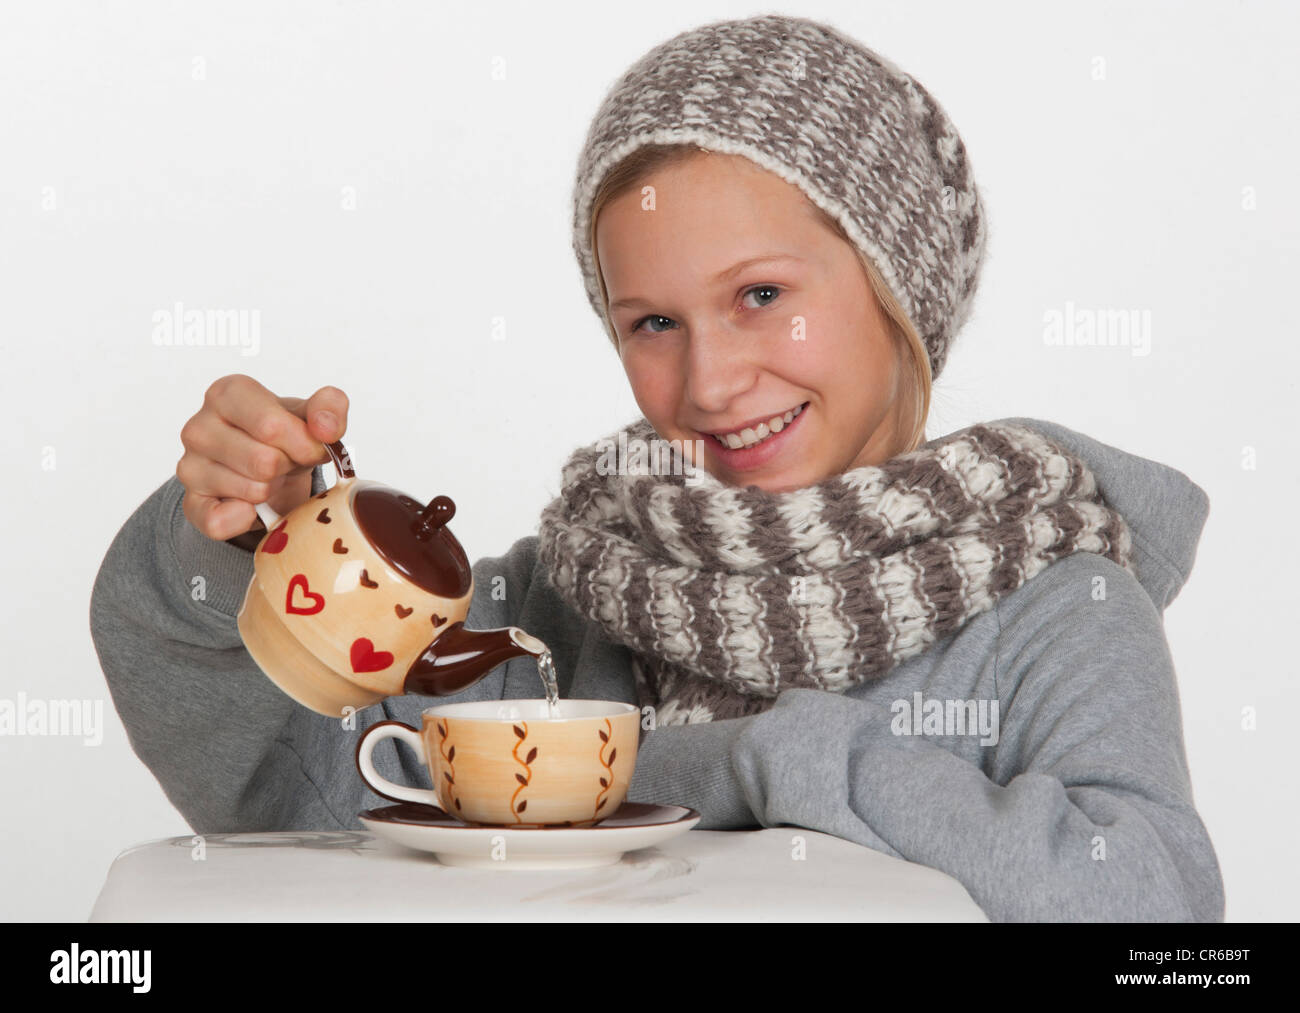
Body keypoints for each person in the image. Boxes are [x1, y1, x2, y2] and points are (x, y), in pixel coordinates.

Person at [90, 14, 1223, 921]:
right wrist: (236, 548)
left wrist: (790, 755)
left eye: (762, 296)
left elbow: (1153, 908)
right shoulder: (553, 607)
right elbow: (277, 789)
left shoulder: (1054, 607)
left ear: (899, 292)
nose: (714, 378)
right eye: (651, 321)